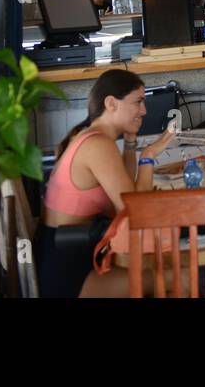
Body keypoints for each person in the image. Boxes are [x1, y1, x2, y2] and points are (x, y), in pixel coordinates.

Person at [36, 69, 177, 298]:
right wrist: (149, 154)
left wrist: (131, 144)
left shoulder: (89, 136)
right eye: (138, 102)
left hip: (67, 252)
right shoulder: (98, 145)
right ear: (111, 103)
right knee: (183, 277)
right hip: (67, 271)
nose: (144, 110)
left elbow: (124, 193)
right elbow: (134, 211)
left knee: (161, 265)